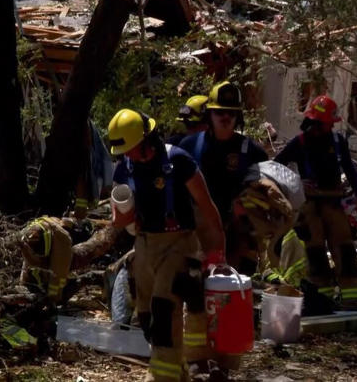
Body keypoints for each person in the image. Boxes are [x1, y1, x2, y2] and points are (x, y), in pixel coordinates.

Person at [109, 109, 225, 382]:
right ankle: (180, 371)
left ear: (146, 140)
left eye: (132, 149)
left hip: (179, 244)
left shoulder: (177, 161)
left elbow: (208, 209)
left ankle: (162, 377)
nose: (128, 155)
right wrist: (121, 218)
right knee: (149, 319)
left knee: (164, 310)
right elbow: (116, 219)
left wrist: (217, 253)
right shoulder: (124, 167)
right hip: (145, 246)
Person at [274, 95, 357, 309]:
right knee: (316, 253)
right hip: (309, 206)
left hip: (334, 204)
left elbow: (350, 170)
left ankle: (352, 300)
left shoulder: (338, 141)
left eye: (330, 125)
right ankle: (324, 301)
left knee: (345, 250)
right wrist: (297, 183)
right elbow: (276, 167)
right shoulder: (300, 143)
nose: (327, 129)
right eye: (325, 124)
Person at [179, 81, 268, 275]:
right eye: (220, 112)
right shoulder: (188, 147)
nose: (226, 117)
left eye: (232, 112)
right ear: (209, 115)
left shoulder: (252, 151)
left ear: (239, 117)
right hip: (198, 234)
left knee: (230, 286)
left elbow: (266, 189)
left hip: (236, 233)